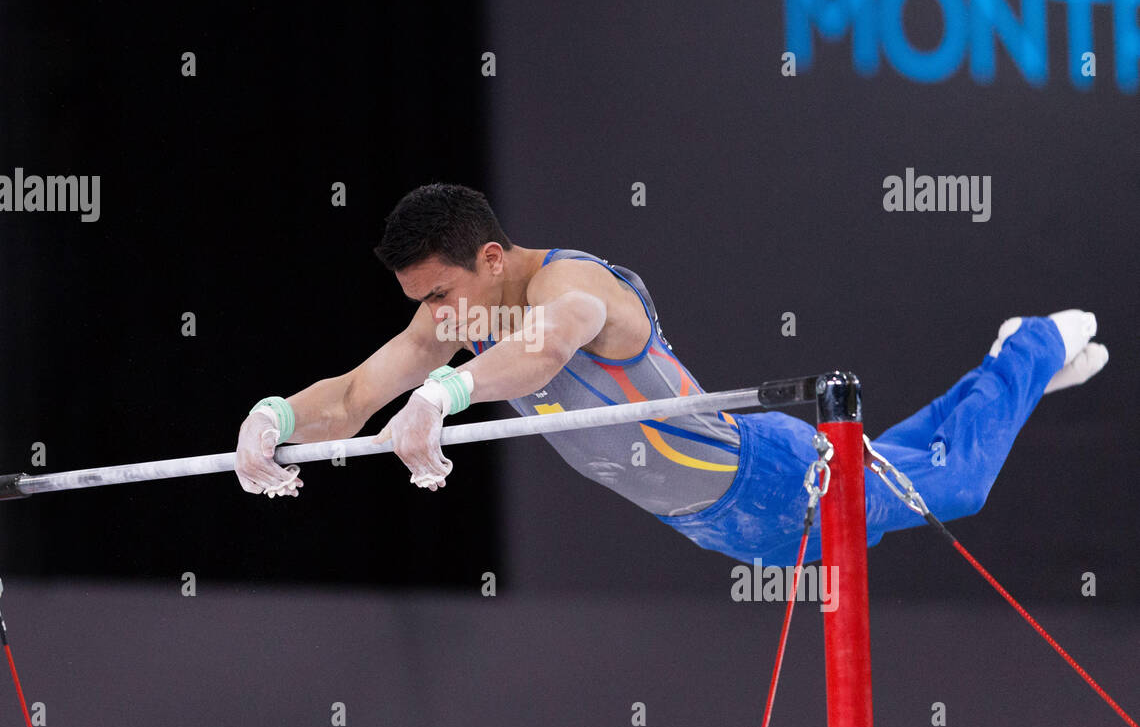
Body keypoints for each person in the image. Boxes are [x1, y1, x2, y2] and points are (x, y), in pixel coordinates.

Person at [234, 184, 1108, 565]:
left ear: (493, 256)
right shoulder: (457, 316)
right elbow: (351, 399)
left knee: (958, 485)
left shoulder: (576, 285)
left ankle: (1027, 347)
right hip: (719, 526)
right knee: (895, 469)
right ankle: (1019, 383)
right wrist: (271, 419)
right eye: (421, 304)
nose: (436, 318)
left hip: (769, 476)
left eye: (441, 294)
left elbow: (546, 345)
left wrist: (445, 392)